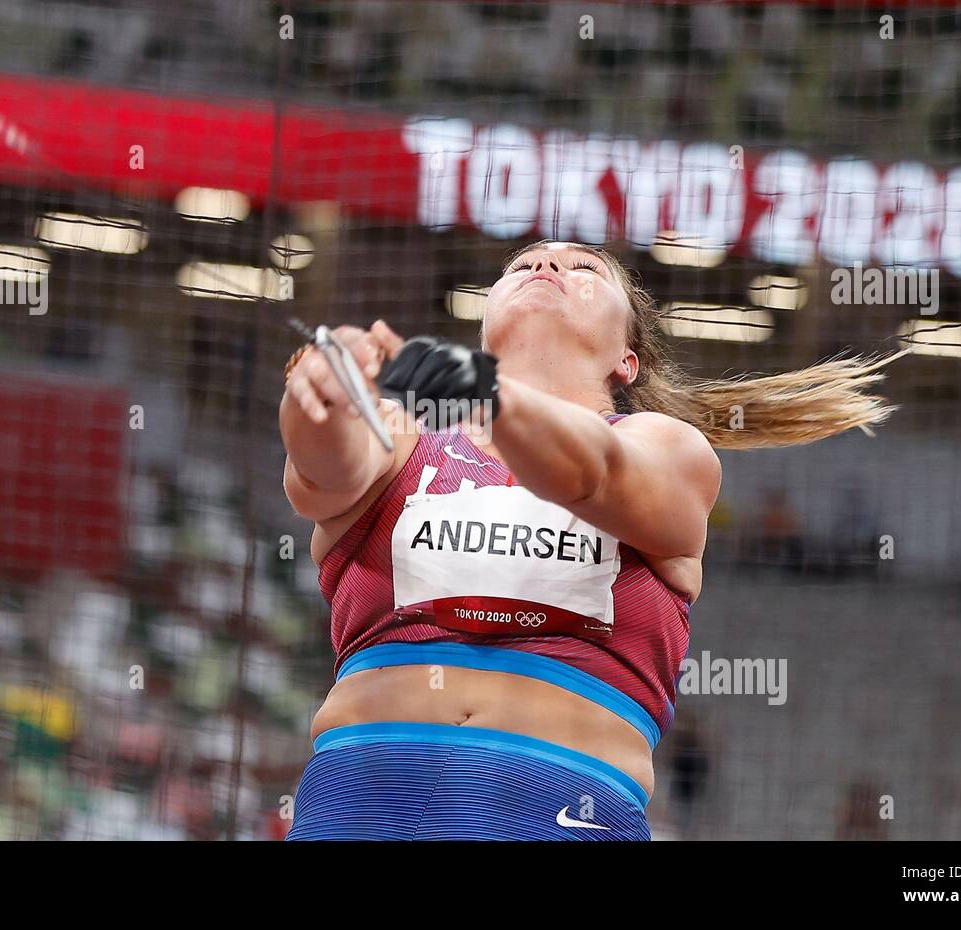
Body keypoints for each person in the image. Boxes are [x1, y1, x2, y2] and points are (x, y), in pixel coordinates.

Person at [281, 240, 897, 840]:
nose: (548, 263)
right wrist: (318, 393)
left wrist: (482, 392)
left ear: (625, 359)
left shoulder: (669, 448)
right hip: (360, 798)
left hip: (562, 807)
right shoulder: (404, 437)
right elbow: (319, 471)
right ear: (486, 325)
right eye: (524, 263)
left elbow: (589, 473)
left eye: (584, 269)